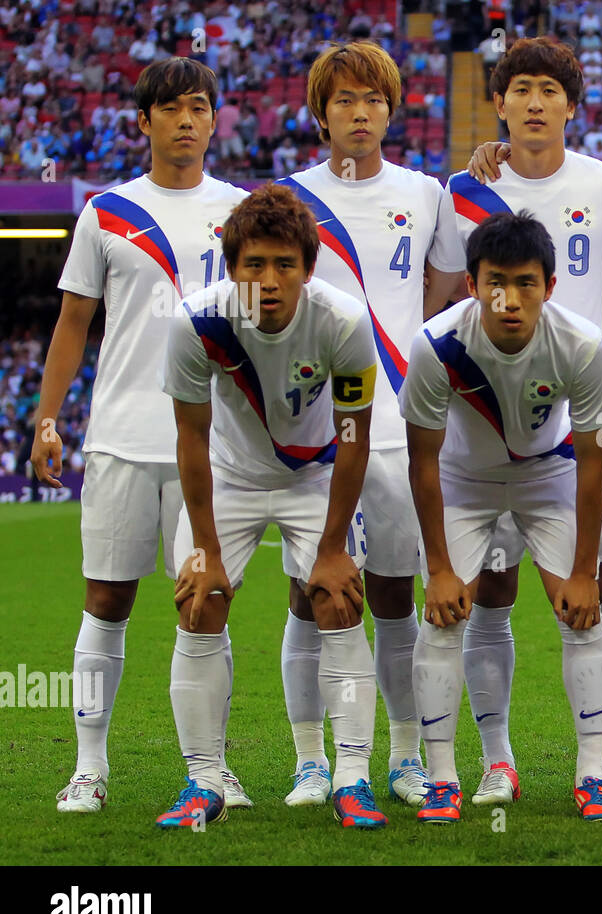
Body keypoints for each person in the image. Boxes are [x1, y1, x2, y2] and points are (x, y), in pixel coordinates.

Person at [437, 37, 602, 806]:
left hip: (572, 424)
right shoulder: (462, 191)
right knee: (488, 598)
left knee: (585, 597)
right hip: (477, 433)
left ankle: (594, 765)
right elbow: (440, 302)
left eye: (550, 91)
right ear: (498, 104)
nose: (535, 102)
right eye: (521, 89)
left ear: (572, 105)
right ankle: (496, 762)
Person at [33, 57, 251, 815]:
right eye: (170, 108)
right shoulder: (105, 211)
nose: (186, 119)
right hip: (122, 439)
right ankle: (90, 769)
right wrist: (46, 417)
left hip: (217, 446)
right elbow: (73, 322)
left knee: (205, 604)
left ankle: (212, 769)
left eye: (198, 106)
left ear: (214, 119)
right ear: (144, 122)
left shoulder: (246, 211)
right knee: (106, 600)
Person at [276, 39, 464, 810]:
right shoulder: (286, 199)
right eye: (344, 100)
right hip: (313, 432)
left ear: (392, 108)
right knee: (306, 596)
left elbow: (448, 292)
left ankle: (404, 755)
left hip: (399, 428)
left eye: (373, 99)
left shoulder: (425, 194)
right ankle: (310, 760)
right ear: (320, 113)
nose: (360, 113)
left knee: (393, 595)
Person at [157, 184, 381, 828]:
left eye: (285, 263)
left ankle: (352, 778)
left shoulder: (343, 320)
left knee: (337, 602)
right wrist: (203, 551)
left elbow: (353, 433)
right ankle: (203, 784)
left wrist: (335, 548)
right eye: (254, 263)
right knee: (200, 603)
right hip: (230, 478)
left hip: (316, 477)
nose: (270, 278)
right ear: (231, 269)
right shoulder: (196, 322)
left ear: (309, 270)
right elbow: (191, 438)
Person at [400, 211, 602, 823]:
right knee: (444, 616)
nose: (510, 298)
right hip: (462, 481)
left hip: (550, 476)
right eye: (495, 281)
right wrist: (440, 569)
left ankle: (594, 775)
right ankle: (450, 776)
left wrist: (584, 572)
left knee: (583, 614)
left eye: (526, 282)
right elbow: (422, 463)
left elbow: (591, 461)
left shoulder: (581, 344)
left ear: (550, 287)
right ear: (470, 284)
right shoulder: (436, 345)